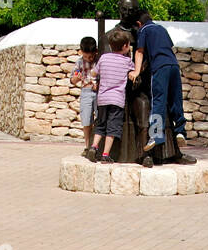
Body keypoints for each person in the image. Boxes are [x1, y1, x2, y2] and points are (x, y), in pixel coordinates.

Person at [129, 12, 188, 163]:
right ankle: (180, 131)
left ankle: (155, 134)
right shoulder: (161, 29)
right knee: (175, 99)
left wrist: (136, 71)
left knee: (158, 100)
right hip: (174, 66)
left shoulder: (144, 30)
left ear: (138, 23)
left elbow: (140, 51)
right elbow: (165, 48)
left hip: (160, 68)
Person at [88, 30, 132, 164]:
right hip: (117, 99)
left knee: (101, 124)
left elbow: (94, 73)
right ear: (125, 46)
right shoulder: (127, 62)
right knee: (112, 127)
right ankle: (106, 154)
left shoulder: (104, 58)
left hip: (102, 99)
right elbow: (134, 72)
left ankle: (94, 147)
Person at [71, 36, 100, 158]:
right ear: (81, 52)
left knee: (99, 119)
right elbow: (72, 80)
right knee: (87, 120)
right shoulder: (79, 62)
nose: (89, 59)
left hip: (98, 93)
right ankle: (87, 146)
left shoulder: (99, 61)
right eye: (87, 56)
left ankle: (97, 146)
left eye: (91, 56)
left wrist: (98, 85)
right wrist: (76, 78)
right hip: (86, 92)